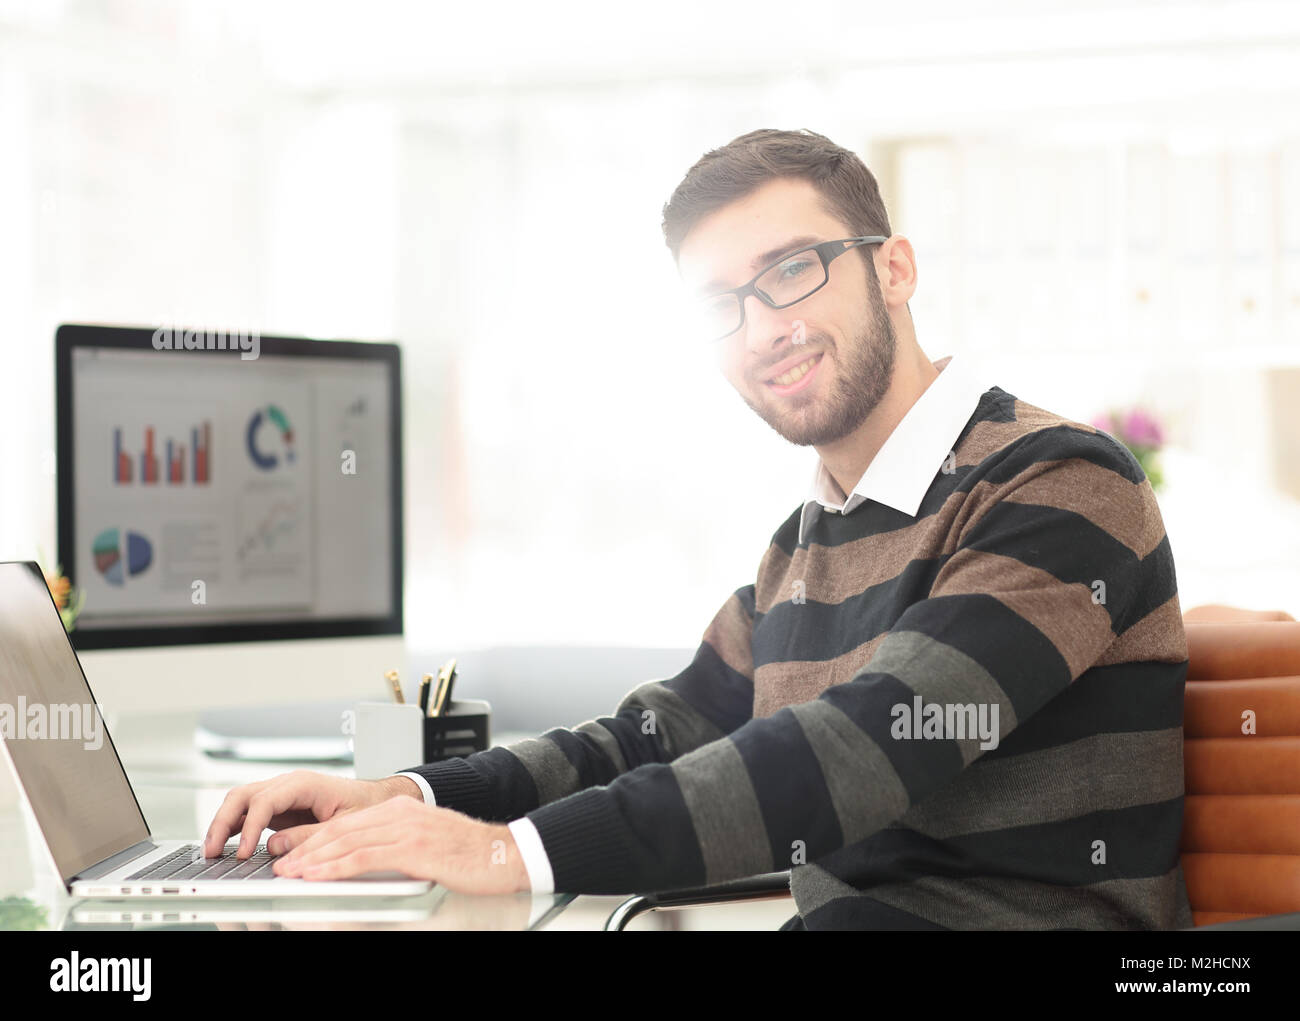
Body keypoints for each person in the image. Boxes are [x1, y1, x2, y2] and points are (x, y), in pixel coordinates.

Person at [204, 128, 1192, 929]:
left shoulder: (1058, 487)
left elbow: (866, 749)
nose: (763, 329)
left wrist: (513, 855)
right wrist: (418, 797)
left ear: (894, 269)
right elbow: (647, 737)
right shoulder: (803, 546)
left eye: (793, 270)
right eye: (721, 303)